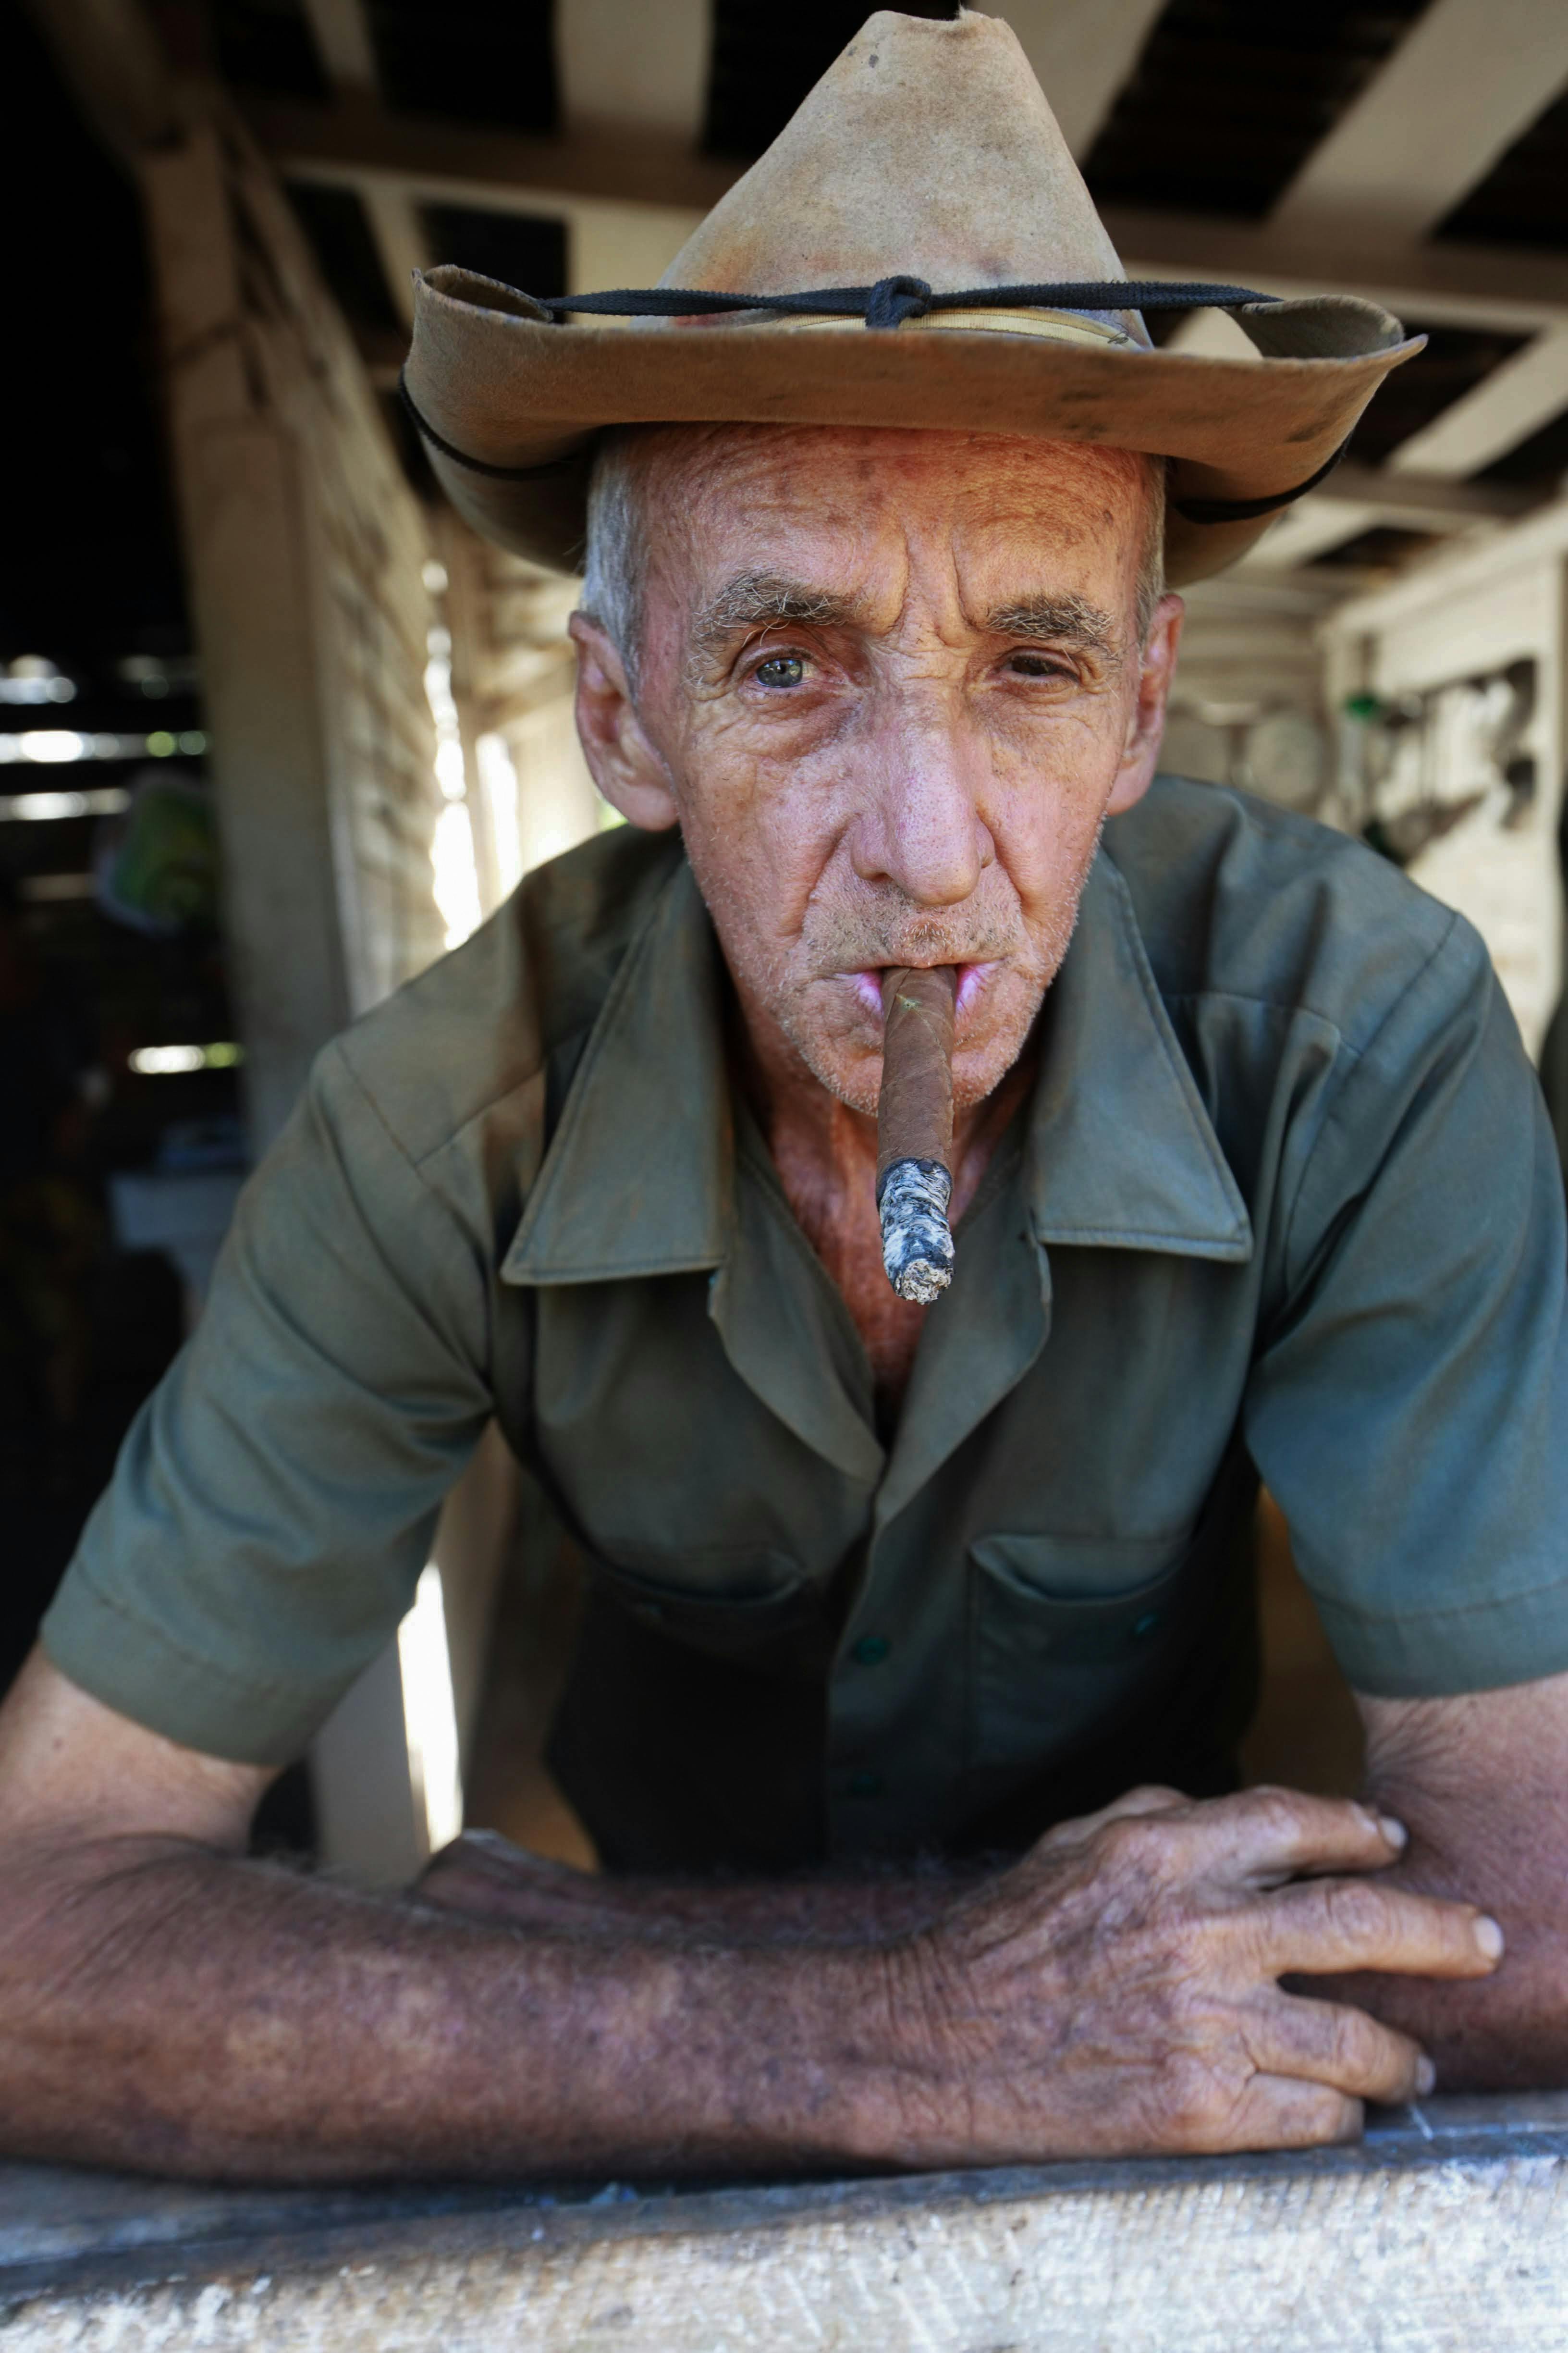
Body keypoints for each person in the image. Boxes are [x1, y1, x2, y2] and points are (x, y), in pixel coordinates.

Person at [2, 10, 1565, 2183]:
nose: (927, 848)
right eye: (789, 666)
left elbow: (1538, 1909)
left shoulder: (1358, 1036)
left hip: (1036, 2059)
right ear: (625, 725)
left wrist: (552, 1996)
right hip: (713, 2076)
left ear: (1142, 710)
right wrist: (915, 2025)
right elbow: (32, 1932)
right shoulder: (434, 1127)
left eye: (1028, 666)